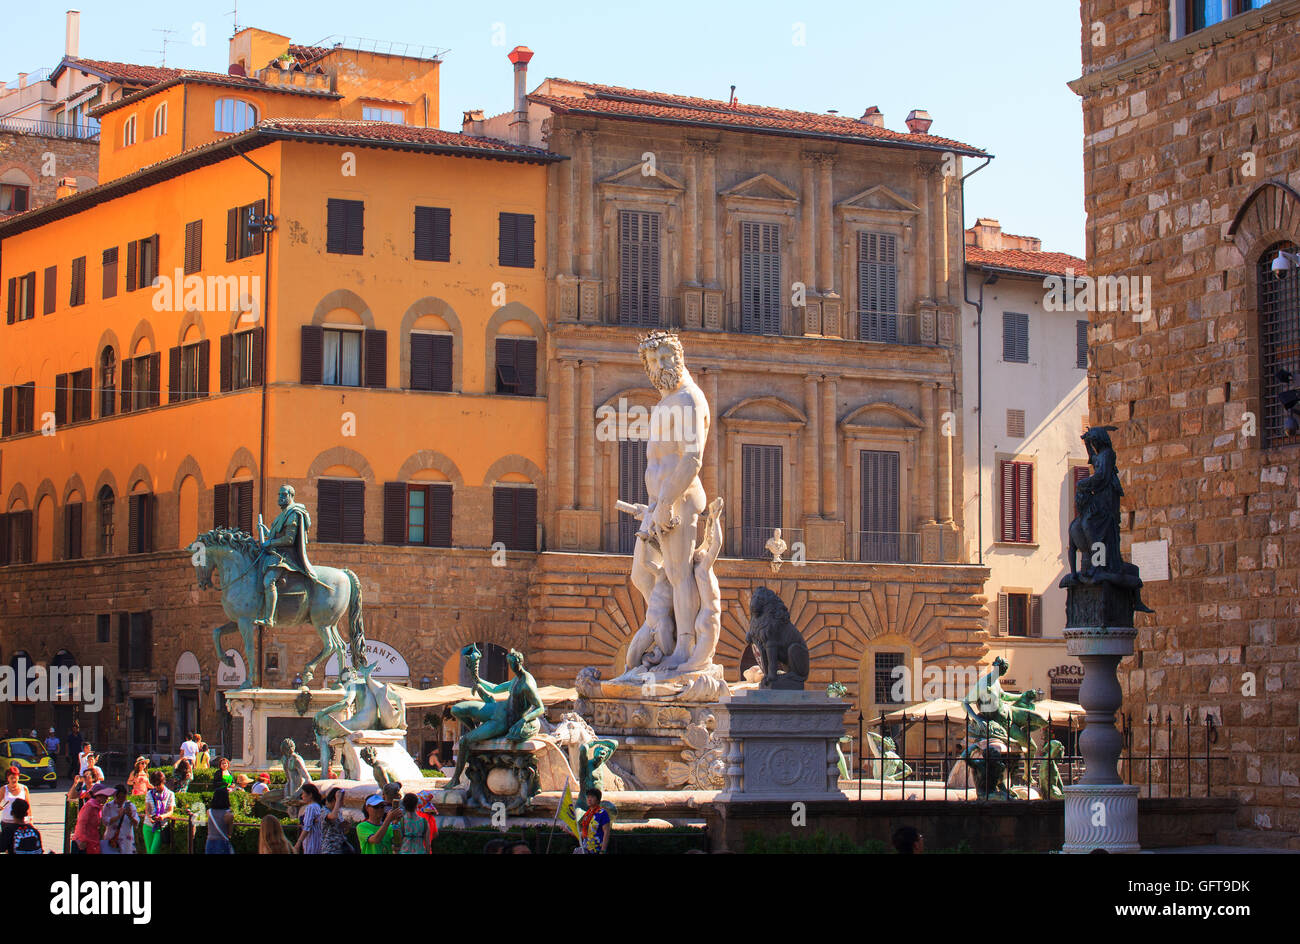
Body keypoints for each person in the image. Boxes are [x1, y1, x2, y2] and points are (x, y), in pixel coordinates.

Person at [72, 783, 113, 854]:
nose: (106, 798)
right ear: (98, 796)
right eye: (104, 796)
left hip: (92, 841)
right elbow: (81, 823)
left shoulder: (98, 807)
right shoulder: (90, 806)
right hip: (83, 842)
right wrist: (82, 839)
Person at [101, 784, 141, 854]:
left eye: (123, 797)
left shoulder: (131, 806)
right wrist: (118, 816)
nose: (121, 800)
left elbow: (136, 823)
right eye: (119, 797)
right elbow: (105, 822)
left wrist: (130, 816)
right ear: (114, 796)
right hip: (112, 839)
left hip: (126, 842)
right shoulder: (108, 806)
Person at [143, 770, 175, 855]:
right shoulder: (149, 793)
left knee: (154, 851)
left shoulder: (170, 794)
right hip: (148, 825)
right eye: (154, 785)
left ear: (163, 782)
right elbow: (147, 809)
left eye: (158, 784)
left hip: (160, 827)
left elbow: (171, 811)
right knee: (149, 851)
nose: (156, 787)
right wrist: (150, 817)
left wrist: (162, 816)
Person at [0, 767, 31, 851]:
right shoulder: (4, 789)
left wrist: (30, 820)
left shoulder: (24, 788)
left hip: (21, 822)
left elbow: (28, 806)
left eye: (16, 778)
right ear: (7, 778)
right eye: (11, 778)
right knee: (8, 847)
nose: (14, 780)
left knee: (20, 845)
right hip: (7, 822)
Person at [293, 783, 327, 854]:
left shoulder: (311, 807)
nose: (302, 796)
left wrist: (298, 842)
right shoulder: (318, 806)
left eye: (303, 793)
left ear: (310, 795)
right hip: (319, 842)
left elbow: (307, 827)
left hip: (311, 842)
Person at [579, 788, 612, 854]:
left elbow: (606, 832)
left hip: (597, 849)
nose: (589, 799)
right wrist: (569, 831)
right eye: (588, 797)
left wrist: (603, 850)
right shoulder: (587, 814)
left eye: (592, 797)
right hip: (586, 848)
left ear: (597, 799)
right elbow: (584, 833)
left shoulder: (602, 813)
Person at [320, 787, 352, 854]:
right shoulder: (324, 811)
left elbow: (340, 830)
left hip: (339, 847)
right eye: (341, 800)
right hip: (329, 849)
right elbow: (333, 817)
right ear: (333, 800)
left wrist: (346, 826)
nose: (342, 803)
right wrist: (338, 799)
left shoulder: (338, 812)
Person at [205, 787, 234, 854]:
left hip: (209, 842)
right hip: (222, 842)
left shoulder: (209, 812)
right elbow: (230, 833)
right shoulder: (229, 815)